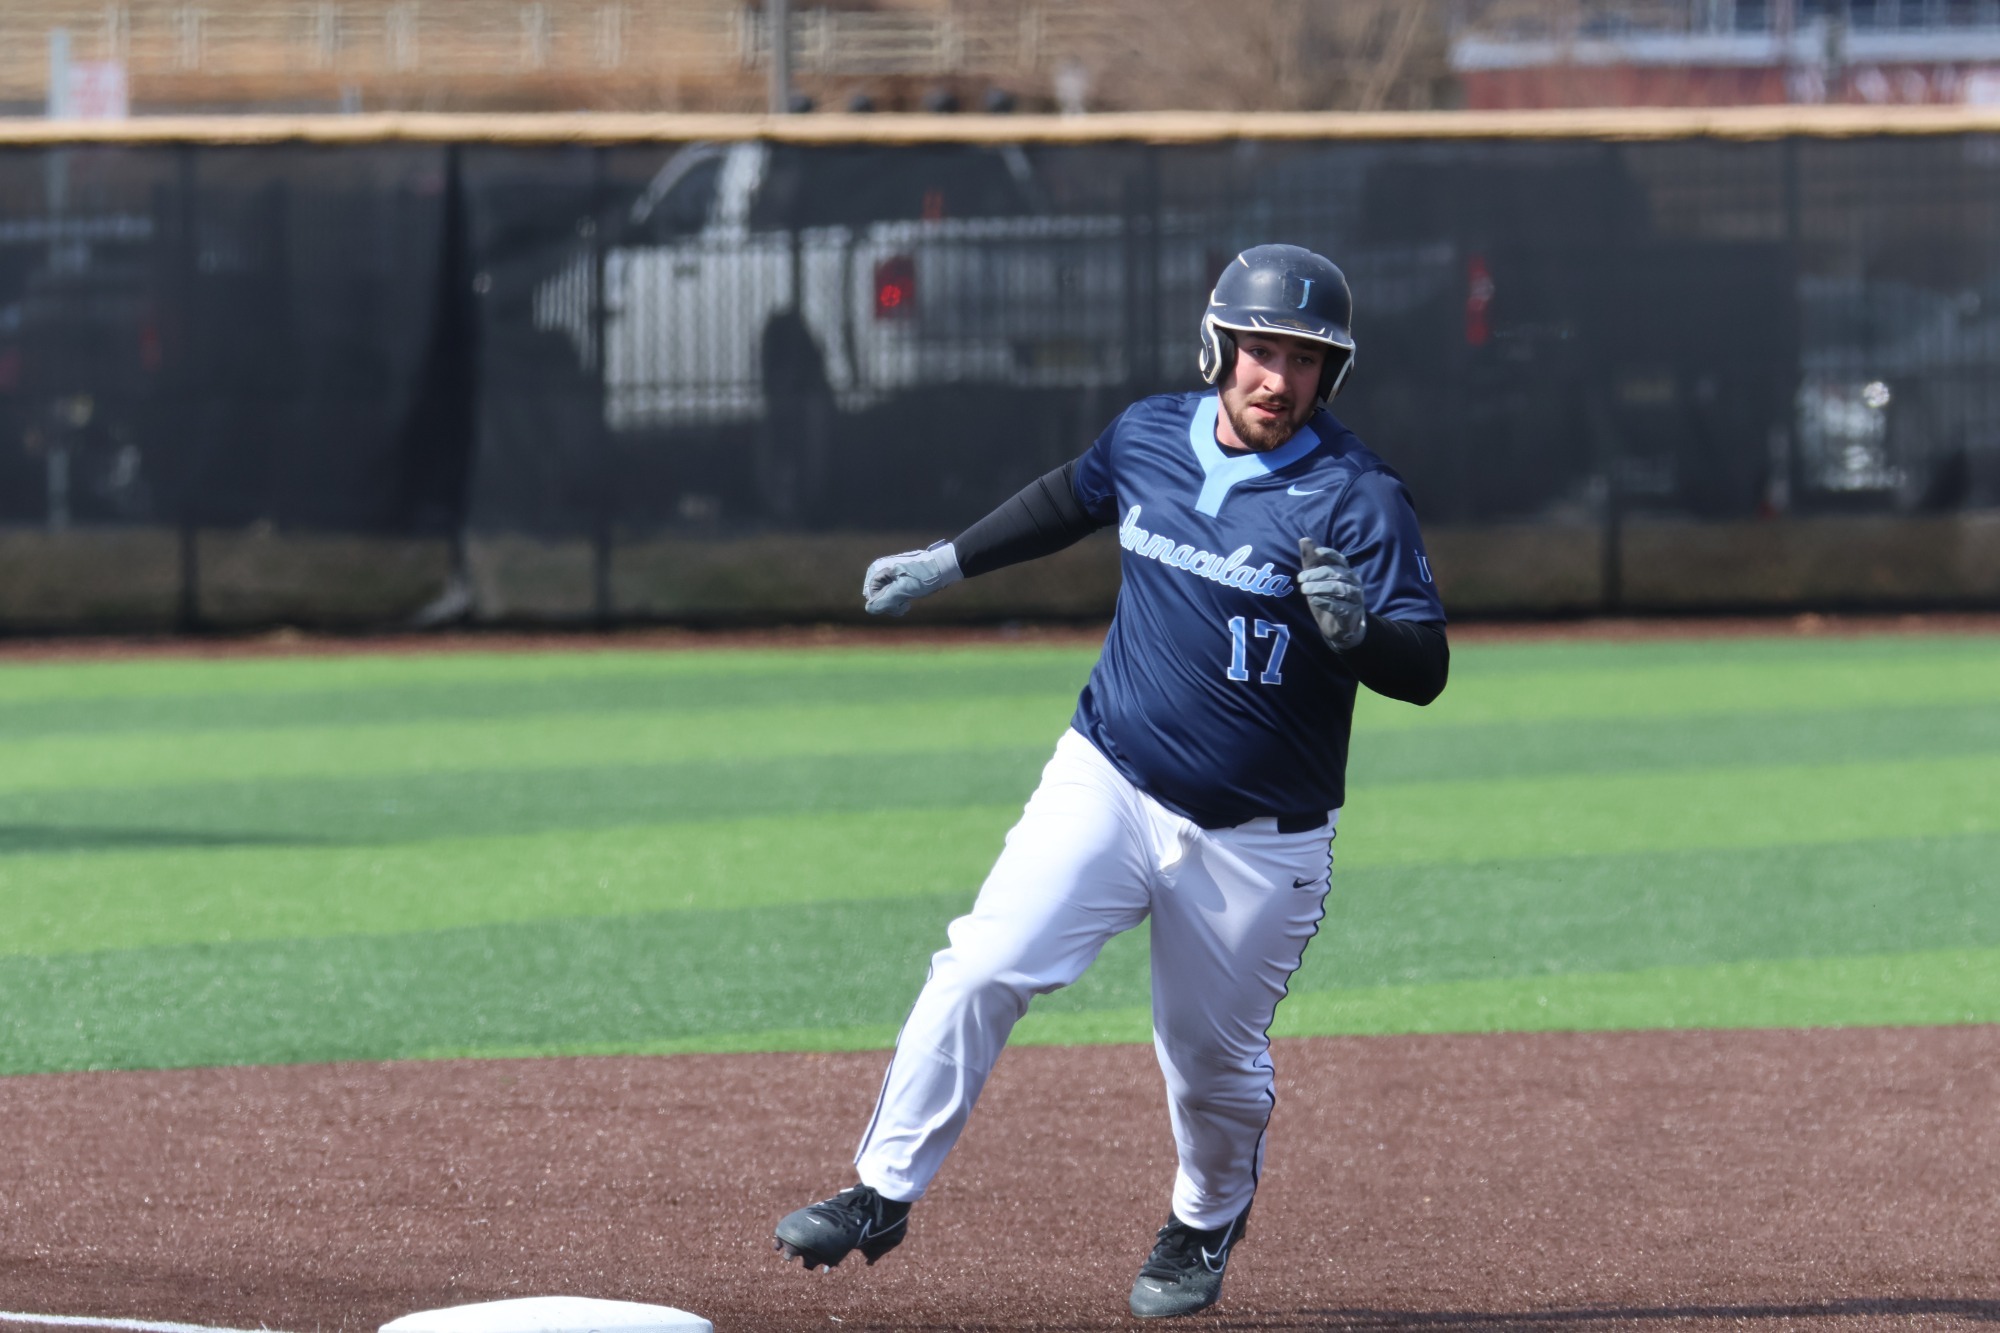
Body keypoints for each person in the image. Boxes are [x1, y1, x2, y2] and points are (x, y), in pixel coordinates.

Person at [772, 243, 1449, 1319]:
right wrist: (950, 561)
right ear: (1217, 347)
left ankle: (1201, 1218)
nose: (1276, 378)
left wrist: (1358, 636)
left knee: (1207, 1059)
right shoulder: (1148, 434)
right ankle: (880, 1189)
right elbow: (1068, 497)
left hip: (1254, 838)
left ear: (1333, 375)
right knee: (981, 962)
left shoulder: (1356, 497)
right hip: (1108, 775)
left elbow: (1425, 670)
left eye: (1305, 360)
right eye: (1259, 350)